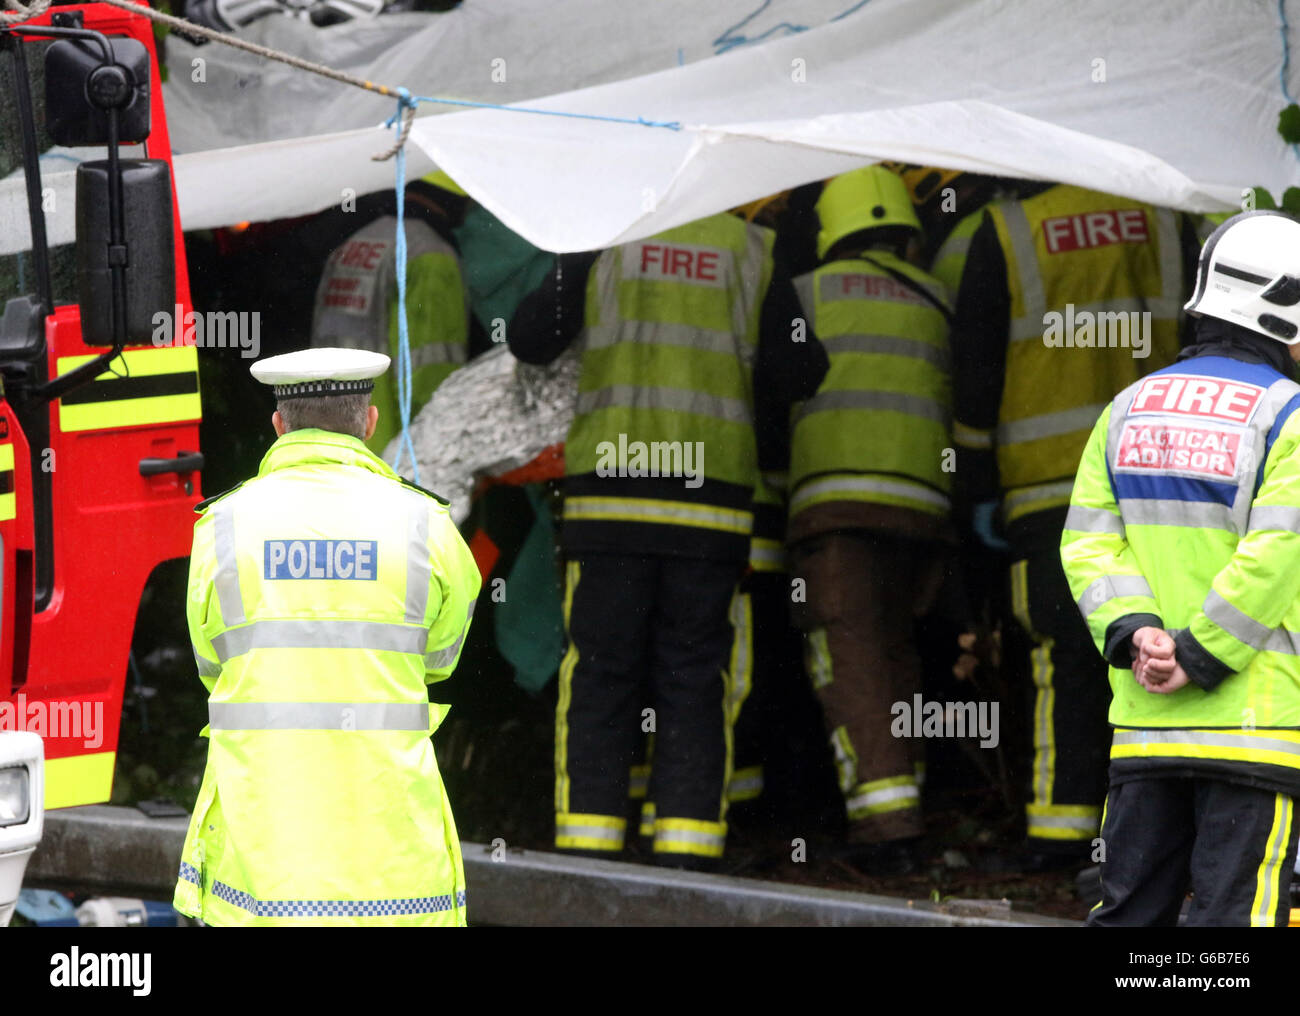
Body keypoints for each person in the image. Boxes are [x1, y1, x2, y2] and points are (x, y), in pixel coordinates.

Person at [509, 212, 824, 867]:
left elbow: (530, 338)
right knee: (694, 677)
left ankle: (588, 853)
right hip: (709, 507)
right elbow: (801, 370)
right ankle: (686, 853)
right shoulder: (752, 249)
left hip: (611, 504)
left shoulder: (603, 228)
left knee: (599, 675)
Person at [173, 347, 481, 926]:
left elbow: (213, 664)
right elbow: (440, 659)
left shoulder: (222, 526)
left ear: (278, 424)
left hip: (261, 866)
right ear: (369, 423)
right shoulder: (427, 525)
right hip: (392, 873)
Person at [1061, 210, 1300, 925]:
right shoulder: (1289, 416)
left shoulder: (1126, 409)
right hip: (1259, 732)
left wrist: (1140, 636)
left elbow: (1089, 545)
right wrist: (1197, 655)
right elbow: (1278, 553)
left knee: (1131, 919)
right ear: (1280, 305)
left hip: (1145, 726)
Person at [950, 181, 1196, 868]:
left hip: (1048, 484)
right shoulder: (1170, 219)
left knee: (1064, 661)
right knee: (1168, 655)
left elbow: (975, 369)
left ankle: (1061, 835)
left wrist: (972, 482)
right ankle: (1159, 846)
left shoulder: (1006, 232)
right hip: (1166, 480)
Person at [785, 166, 954, 871]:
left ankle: (888, 831)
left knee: (848, 658)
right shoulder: (937, 299)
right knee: (895, 652)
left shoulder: (800, 294)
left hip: (834, 506)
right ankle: (905, 798)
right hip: (924, 510)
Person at [311, 173, 481, 455]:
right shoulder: (431, 255)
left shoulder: (352, 245)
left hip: (333, 443)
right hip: (393, 455)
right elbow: (432, 374)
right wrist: (445, 448)